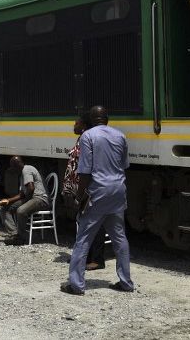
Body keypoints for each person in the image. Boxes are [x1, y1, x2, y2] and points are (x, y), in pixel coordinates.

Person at [61, 105, 134, 296]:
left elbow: (85, 171)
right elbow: (124, 165)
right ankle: (126, 282)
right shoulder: (120, 136)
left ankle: (76, 285)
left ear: (92, 120)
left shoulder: (88, 136)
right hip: (118, 190)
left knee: (83, 238)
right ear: (107, 119)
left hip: (97, 192)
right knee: (119, 238)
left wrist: (79, 197)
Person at [61, 113, 107, 271]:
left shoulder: (87, 139)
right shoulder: (82, 138)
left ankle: (97, 258)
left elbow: (85, 167)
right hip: (81, 187)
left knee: (94, 223)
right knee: (83, 222)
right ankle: (85, 256)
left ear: (83, 125)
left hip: (88, 188)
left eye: (76, 123)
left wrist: (81, 193)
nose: (74, 126)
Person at [0, 155, 50, 246]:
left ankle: (20, 237)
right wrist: (7, 200)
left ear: (17, 165)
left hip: (40, 198)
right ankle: (14, 234)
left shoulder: (26, 169)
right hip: (31, 198)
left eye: (13, 166)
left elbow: (31, 188)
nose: (12, 169)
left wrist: (23, 202)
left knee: (21, 210)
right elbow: (21, 194)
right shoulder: (21, 175)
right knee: (3, 208)